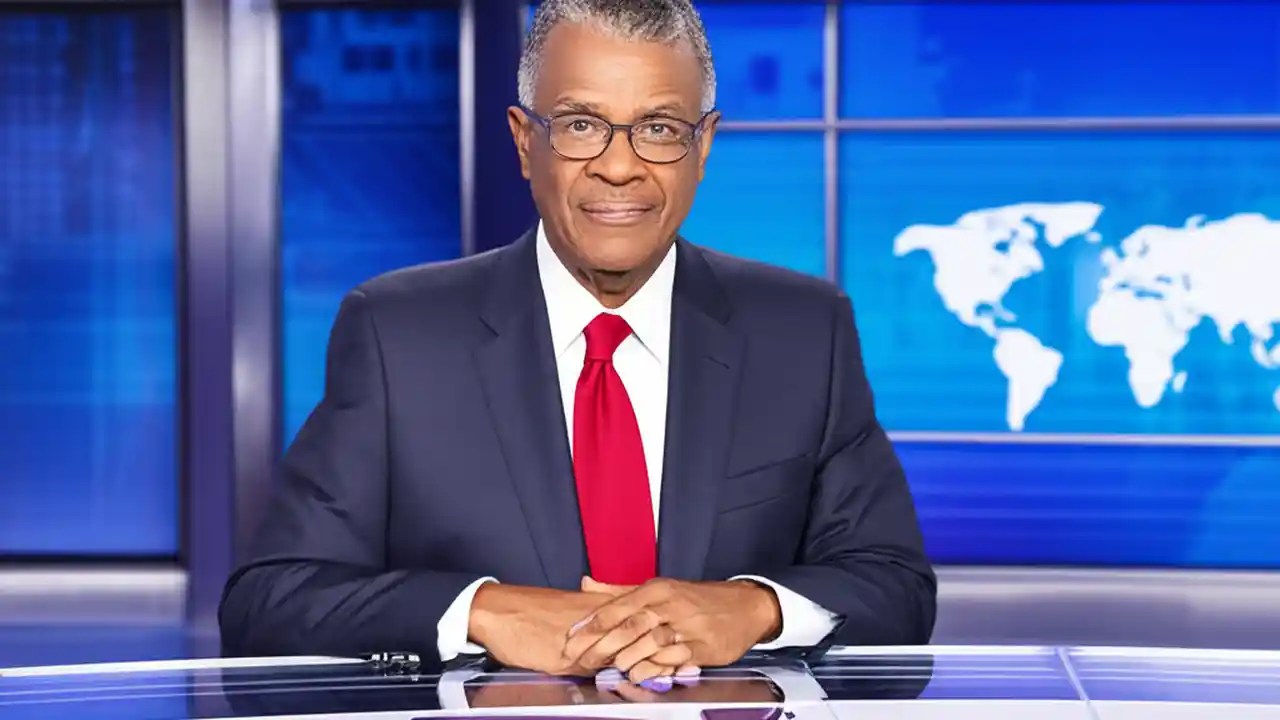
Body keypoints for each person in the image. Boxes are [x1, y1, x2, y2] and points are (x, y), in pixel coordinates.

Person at [219, 0, 935, 685]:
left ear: (703, 146)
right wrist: (484, 611)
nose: (618, 167)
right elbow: (270, 600)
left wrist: (753, 607)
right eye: (581, 125)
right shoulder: (397, 333)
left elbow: (894, 584)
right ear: (526, 142)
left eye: (657, 127)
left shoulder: (803, 329)